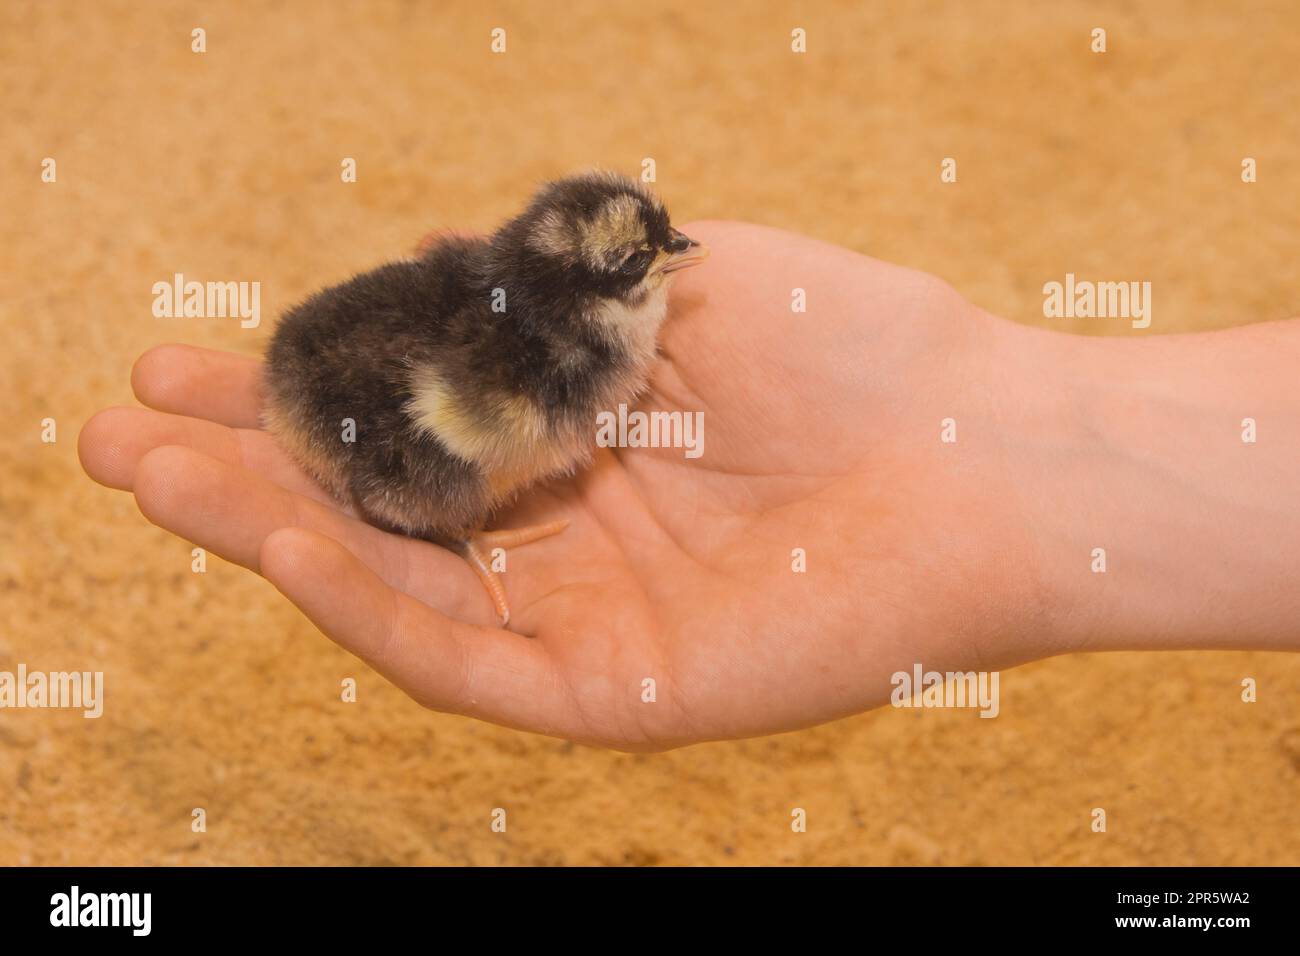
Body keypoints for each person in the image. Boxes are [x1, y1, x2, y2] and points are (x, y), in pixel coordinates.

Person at [77, 221, 1300, 750]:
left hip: (385, 381)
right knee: (452, 417)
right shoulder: (546, 369)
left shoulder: (536, 331)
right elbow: (462, 411)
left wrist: (970, 416)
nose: (678, 271)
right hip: (412, 411)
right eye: (649, 266)